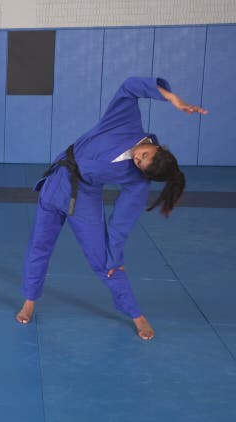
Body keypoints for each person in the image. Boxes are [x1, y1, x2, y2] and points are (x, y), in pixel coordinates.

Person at [14, 76, 207, 339]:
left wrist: (114, 254)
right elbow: (130, 88)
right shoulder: (126, 122)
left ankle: (136, 313)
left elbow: (121, 222)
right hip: (56, 181)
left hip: (83, 197)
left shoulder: (137, 181)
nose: (138, 159)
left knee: (104, 260)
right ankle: (30, 300)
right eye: (145, 156)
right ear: (157, 146)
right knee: (39, 244)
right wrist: (170, 97)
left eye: (141, 164)